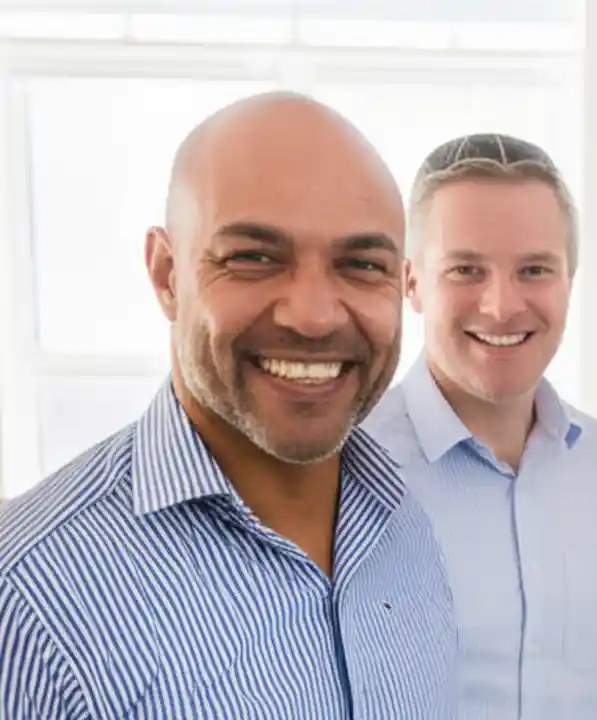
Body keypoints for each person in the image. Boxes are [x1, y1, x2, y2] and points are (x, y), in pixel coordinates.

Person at [0, 92, 458, 718]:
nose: (315, 315)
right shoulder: (27, 595)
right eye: (254, 258)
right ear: (167, 275)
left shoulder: (408, 525)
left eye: (360, 264)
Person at [362, 133, 597, 719]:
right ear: (410, 282)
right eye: (466, 269)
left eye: (535, 270)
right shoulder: (348, 472)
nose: (501, 306)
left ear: (570, 279)